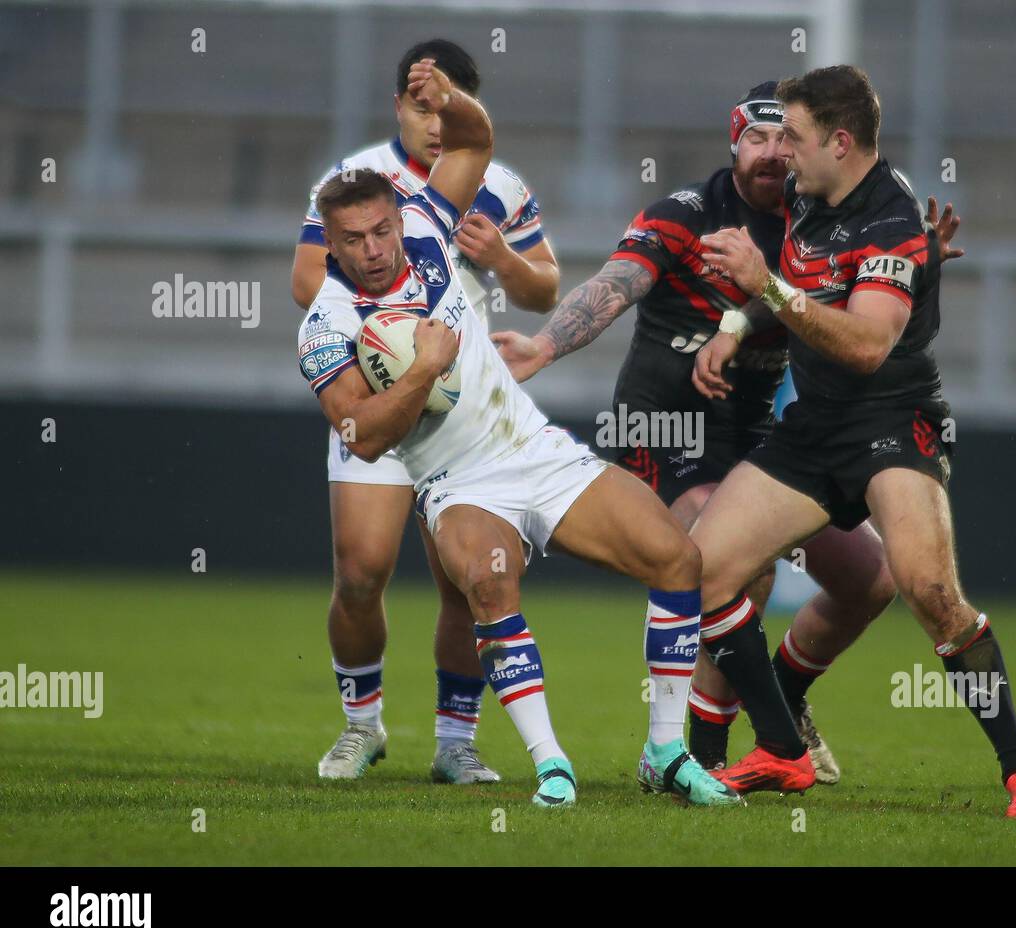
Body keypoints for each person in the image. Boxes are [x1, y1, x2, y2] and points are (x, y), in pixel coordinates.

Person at [297, 60, 739, 809]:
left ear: (399, 220)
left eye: (380, 230)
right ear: (331, 246)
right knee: (488, 584)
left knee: (677, 556)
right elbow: (360, 434)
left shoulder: (435, 230)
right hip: (458, 482)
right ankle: (550, 763)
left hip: (537, 450)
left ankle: (664, 751)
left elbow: (474, 138)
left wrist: (451, 100)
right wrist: (418, 374)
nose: (373, 248)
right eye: (352, 239)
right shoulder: (326, 327)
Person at [493, 83, 961, 790]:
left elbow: (871, 303)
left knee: (873, 580)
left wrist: (919, 269)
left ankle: (784, 703)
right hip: (662, 431)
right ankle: (698, 757)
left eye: (786, 138)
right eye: (757, 138)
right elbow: (619, 283)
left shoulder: (819, 219)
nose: (773, 152)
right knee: (734, 562)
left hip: (757, 435)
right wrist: (544, 347)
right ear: (733, 144)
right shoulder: (688, 213)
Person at [694, 65, 1016, 816]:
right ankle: (773, 750)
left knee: (929, 592)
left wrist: (765, 288)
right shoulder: (808, 195)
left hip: (891, 422)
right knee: (701, 572)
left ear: (842, 141)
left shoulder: (891, 222)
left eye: (792, 137)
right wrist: (735, 323)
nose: (781, 151)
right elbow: (815, 292)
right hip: (815, 428)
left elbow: (863, 347)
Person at [293, 39, 558, 784]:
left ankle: (454, 742)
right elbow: (305, 280)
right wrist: (392, 340)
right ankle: (361, 726)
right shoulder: (353, 186)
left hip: (462, 404)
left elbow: (543, 290)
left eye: (448, 104)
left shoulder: (495, 185)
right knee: (359, 571)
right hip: (381, 390)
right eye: (421, 104)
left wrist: (500, 261)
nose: (435, 121)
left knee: (463, 580)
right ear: (398, 107)